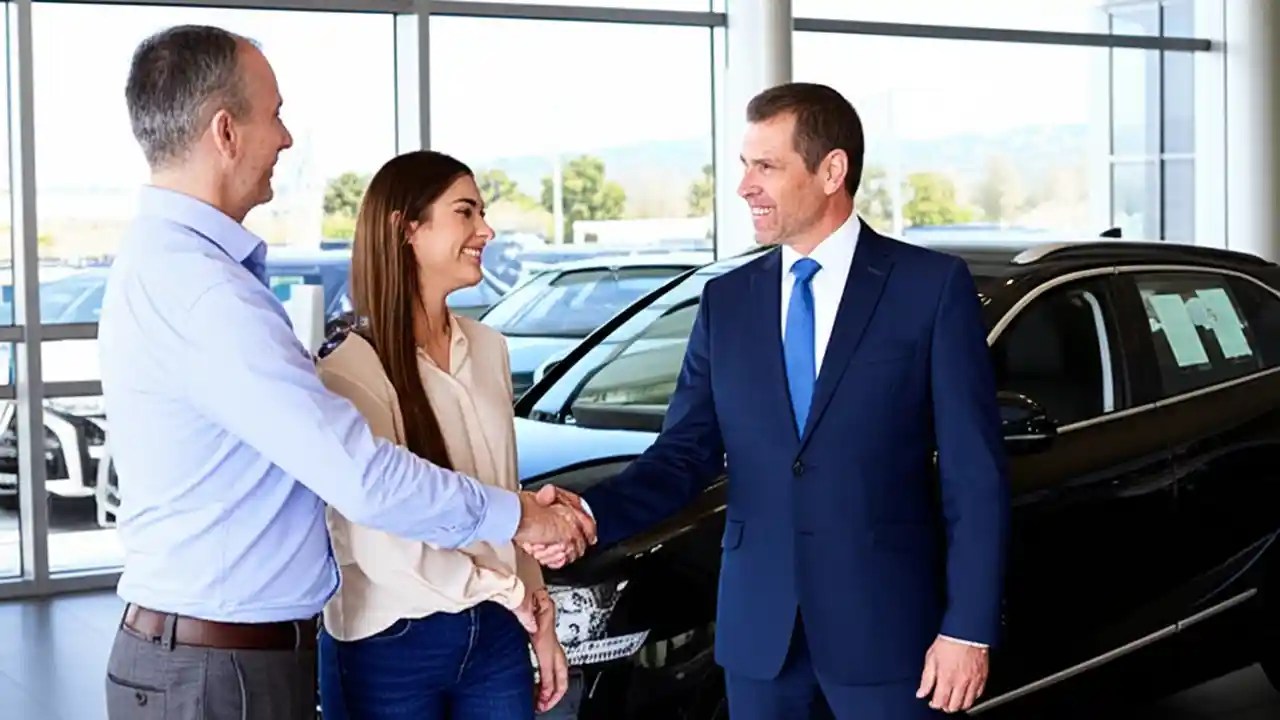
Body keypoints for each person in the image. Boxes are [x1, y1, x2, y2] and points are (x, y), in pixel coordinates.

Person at [100, 25, 591, 720]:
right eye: (274, 115)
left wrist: (521, 567)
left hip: (224, 657)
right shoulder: (204, 292)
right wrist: (520, 519)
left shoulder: (173, 268)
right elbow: (362, 478)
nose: (287, 138)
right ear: (225, 131)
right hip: (221, 671)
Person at [527, 82, 1010, 718]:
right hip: (760, 639)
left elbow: (975, 477)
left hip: (892, 636)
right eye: (744, 166)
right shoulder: (726, 303)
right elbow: (683, 454)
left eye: (767, 166)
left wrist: (967, 629)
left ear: (831, 170)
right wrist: (589, 510)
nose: (745, 186)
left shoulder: (928, 288)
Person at [312, 150, 568, 719]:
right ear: (408, 229)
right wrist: (509, 592)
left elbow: (507, 493)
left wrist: (539, 614)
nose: (486, 229)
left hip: (497, 631)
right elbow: (383, 546)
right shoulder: (348, 367)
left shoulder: (488, 348)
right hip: (388, 643)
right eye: (466, 212)